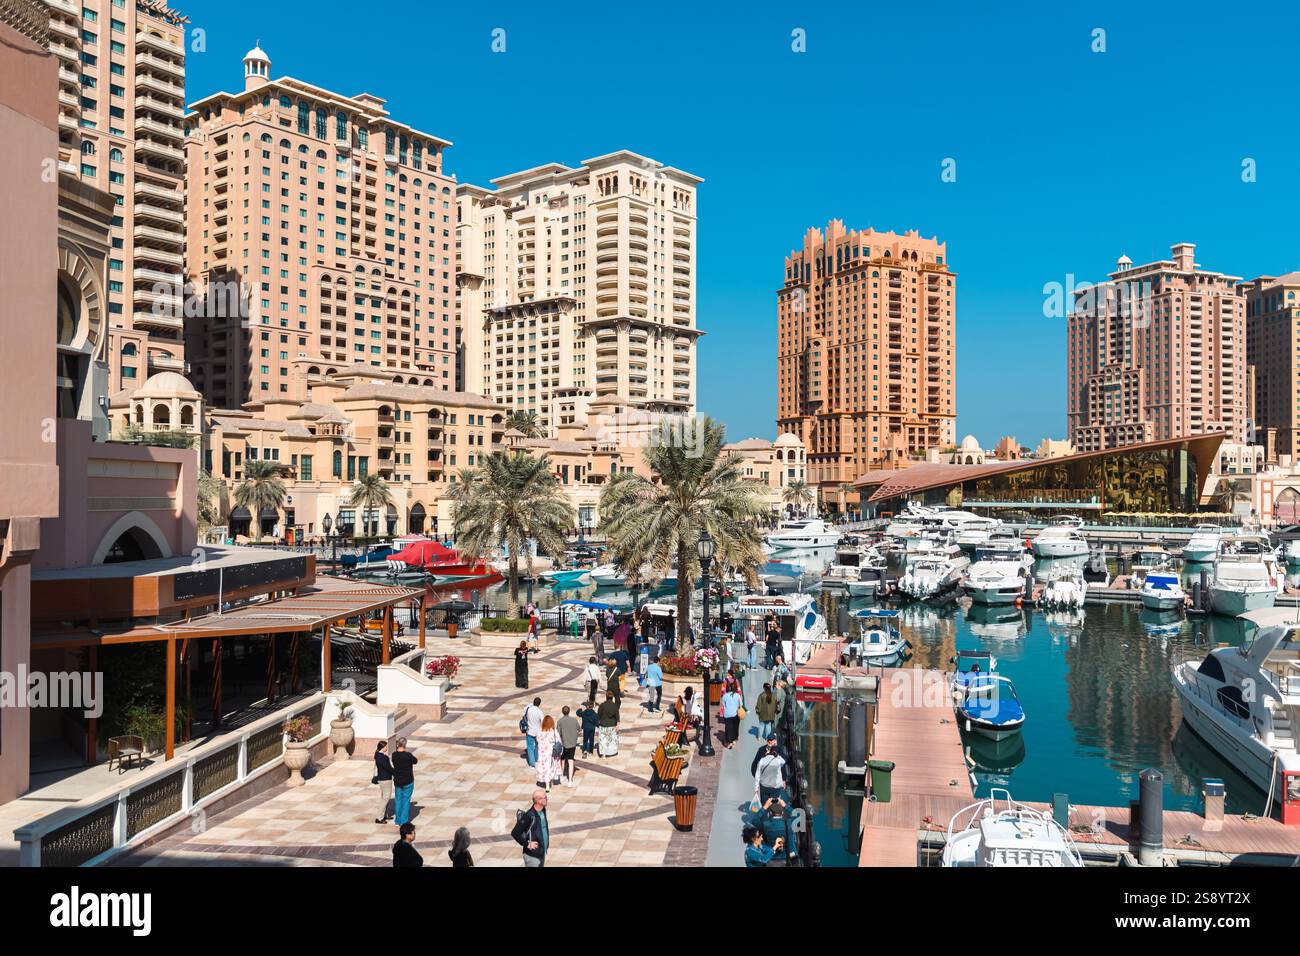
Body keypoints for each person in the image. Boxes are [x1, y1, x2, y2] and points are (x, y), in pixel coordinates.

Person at [744, 796, 799, 864]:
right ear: (782, 813)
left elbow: (754, 820)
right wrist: (785, 806)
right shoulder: (788, 824)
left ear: (770, 813)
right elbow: (798, 816)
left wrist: (764, 807)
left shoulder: (765, 825)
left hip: (770, 857)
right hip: (786, 857)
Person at [511, 788, 550, 867]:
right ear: (539, 800)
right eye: (545, 797)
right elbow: (515, 833)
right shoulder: (529, 816)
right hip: (533, 855)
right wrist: (527, 844)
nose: (547, 799)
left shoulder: (542, 810)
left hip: (541, 852)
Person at [752, 735, 789, 804]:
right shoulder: (761, 750)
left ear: (775, 741)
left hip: (774, 783)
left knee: (773, 803)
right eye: (769, 740)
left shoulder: (779, 750)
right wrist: (759, 780)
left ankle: (768, 809)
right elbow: (754, 766)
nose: (770, 741)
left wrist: (784, 780)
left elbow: (782, 767)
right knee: (765, 803)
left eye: (772, 740)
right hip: (765, 784)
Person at [391, 737, 417, 827]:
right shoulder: (408, 755)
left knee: (398, 800)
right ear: (405, 744)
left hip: (398, 781)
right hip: (408, 780)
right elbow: (415, 761)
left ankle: (398, 820)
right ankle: (404, 821)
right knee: (406, 801)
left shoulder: (394, 755)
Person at [535, 714, 562, 790]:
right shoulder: (553, 731)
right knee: (551, 766)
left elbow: (537, 740)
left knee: (545, 767)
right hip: (551, 752)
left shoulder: (540, 730)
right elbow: (558, 740)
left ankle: (547, 784)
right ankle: (549, 782)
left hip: (542, 752)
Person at [556, 705, 580, 786]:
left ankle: (561, 776)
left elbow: (558, 733)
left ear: (562, 712)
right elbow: (579, 729)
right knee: (571, 762)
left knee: (562, 761)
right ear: (569, 711)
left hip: (563, 744)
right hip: (572, 744)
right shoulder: (574, 720)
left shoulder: (560, 721)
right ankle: (570, 781)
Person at [373, 740, 394, 824]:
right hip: (385, 779)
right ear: (382, 747)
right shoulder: (382, 757)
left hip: (382, 779)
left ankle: (385, 814)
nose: (387, 748)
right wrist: (396, 773)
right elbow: (388, 768)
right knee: (385, 798)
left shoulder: (378, 755)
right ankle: (379, 818)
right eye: (385, 746)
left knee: (384, 797)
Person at [596, 692, 621, 757]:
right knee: (611, 740)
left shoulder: (602, 705)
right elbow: (617, 717)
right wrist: (618, 725)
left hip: (603, 725)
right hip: (612, 725)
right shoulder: (615, 706)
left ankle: (603, 753)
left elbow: (598, 715)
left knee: (603, 740)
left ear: (606, 697)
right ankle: (611, 752)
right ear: (612, 697)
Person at [720, 683, 743, 749]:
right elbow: (741, 704)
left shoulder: (725, 696)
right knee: (735, 727)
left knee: (728, 728)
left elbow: (723, 705)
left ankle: (729, 742)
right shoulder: (737, 695)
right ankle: (734, 739)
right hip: (736, 714)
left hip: (727, 714)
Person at [522, 697, 544, 767]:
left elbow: (524, 716)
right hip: (538, 732)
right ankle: (536, 760)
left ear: (533, 702)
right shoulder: (540, 712)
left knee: (530, 748)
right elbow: (543, 722)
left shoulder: (529, 710)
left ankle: (532, 764)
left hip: (529, 731)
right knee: (537, 746)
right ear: (539, 704)